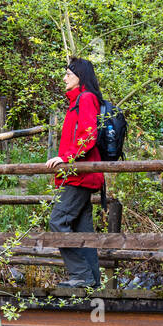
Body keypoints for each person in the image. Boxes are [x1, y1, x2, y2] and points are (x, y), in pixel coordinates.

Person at [43, 57, 105, 287]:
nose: (64, 78)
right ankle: (93, 282)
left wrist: (65, 158)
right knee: (82, 230)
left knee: (58, 221)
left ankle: (81, 276)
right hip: (77, 175)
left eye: (68, 73)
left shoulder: (86, 99)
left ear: (80, 76)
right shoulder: (77, 101)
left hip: (79, 175)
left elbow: (88, 137)